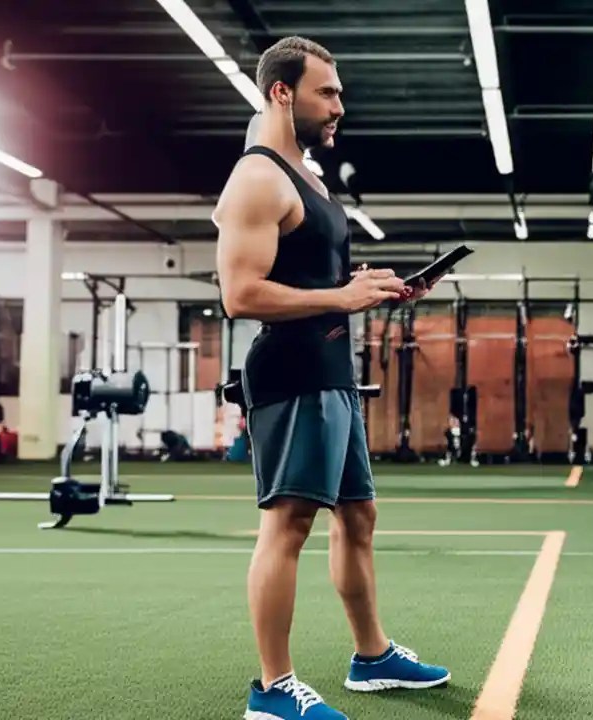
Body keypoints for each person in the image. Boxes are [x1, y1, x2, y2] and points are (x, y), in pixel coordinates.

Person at [214, 36, 450, 720]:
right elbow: (241, 293)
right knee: (288, 525)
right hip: (290, 372)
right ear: (281, 92)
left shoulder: (307, 177)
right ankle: (272, 689)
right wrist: (340, 298)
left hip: (331, 370)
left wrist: (367, 287)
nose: (340, 104)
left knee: (358, 516)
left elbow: (312, 279)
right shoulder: (257, 178)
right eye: (328, 91)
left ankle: (371, 657)